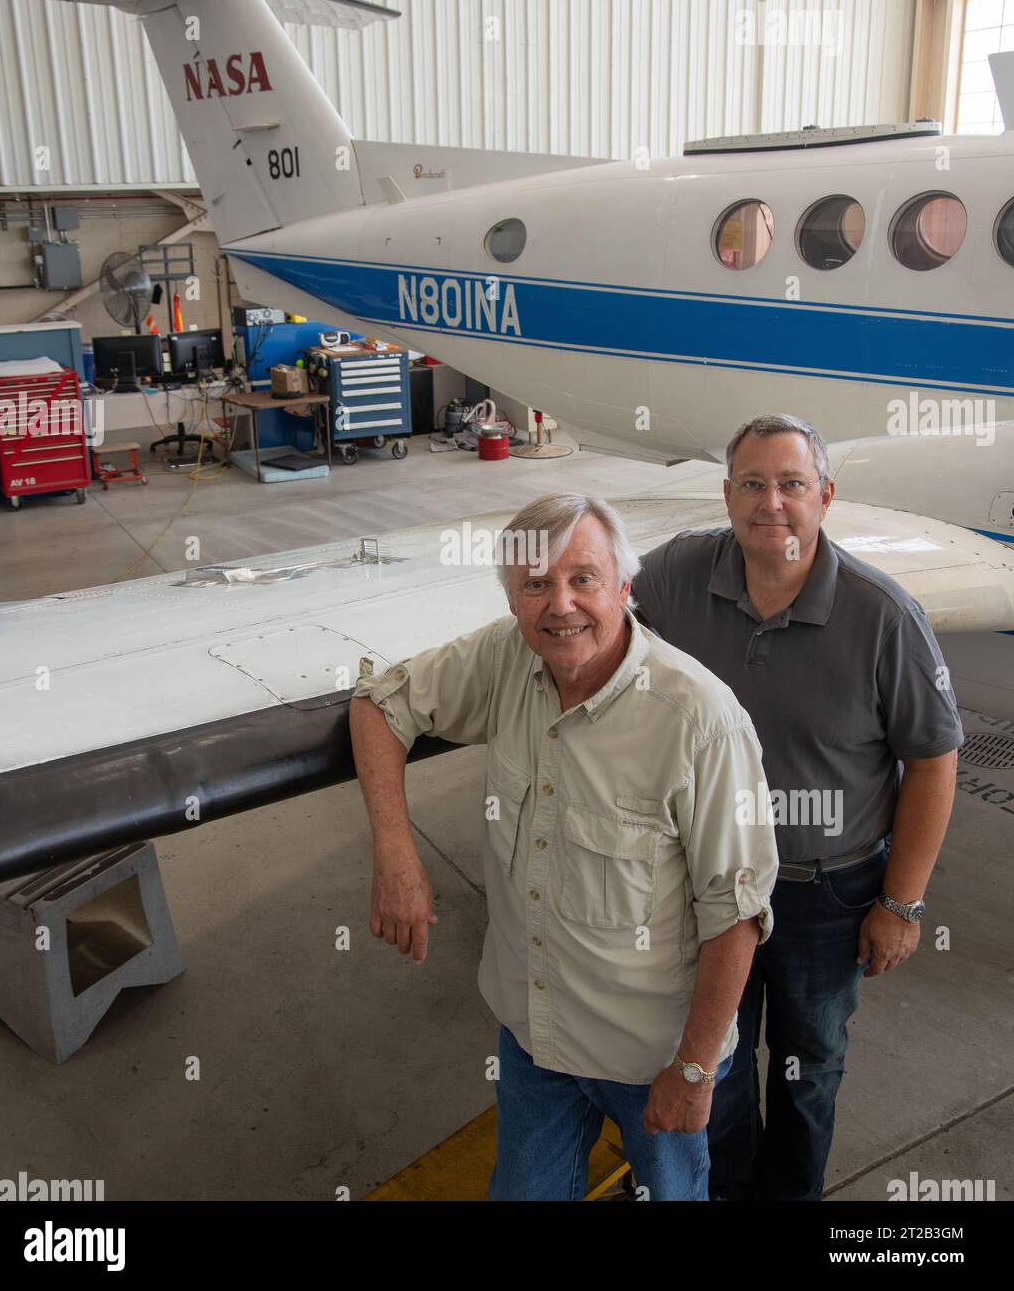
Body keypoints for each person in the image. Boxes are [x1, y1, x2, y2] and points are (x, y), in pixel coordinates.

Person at [350, 492, 777, 1201]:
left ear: (624, 587)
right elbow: (378, 702)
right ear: (513, 600)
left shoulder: (700, 722)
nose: (561, 605)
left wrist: (695, 1072)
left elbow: (735, 910)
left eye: (583, 578)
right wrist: (396, 853)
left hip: (650, 1059)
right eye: (535, 584)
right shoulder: (507, 656)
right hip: (534, 1040)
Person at [631, 414, 963, 1202]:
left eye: (791, 484)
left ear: (825, 497)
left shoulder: (884, 616)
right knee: (712, 1060)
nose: (769, 503)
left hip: (827, 894)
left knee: (808, 1070)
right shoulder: (678, 574)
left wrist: (901, 902)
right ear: (726, 494)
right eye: (751, 484)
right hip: (710, 885)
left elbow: (933, 762)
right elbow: (590, 602)